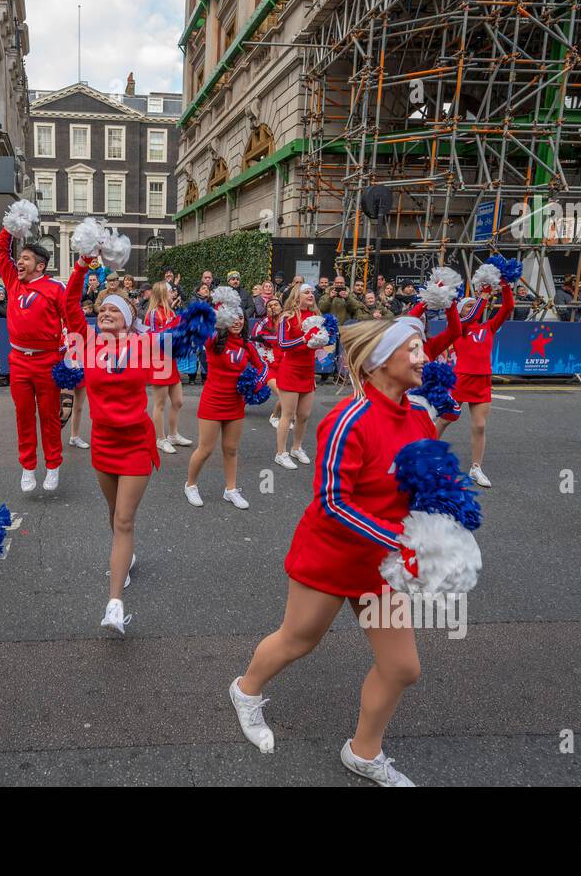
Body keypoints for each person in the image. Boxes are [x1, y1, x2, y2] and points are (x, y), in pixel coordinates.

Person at [228, 317, 434, 785]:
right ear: (381, 361)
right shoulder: (349, 419)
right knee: (298, 640)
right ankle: (246, 690)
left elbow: (425, 481)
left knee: (402, 668)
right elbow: (333, 501)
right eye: (415, 349)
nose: (425, 357)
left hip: (383, 566)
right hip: (332, 554)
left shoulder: (420, 414)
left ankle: (364, 751)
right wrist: (399, 540)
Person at [64, 257, 159, 636]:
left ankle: (114, 603)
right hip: (103, 443)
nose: (104, 312)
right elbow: (70, 305)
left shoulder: (144, 344)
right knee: (113, 512)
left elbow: (182, 336)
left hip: (135, 442)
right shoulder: (87, 343)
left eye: (112, 309)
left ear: (127, 318)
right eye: (101, 308)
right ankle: (126, 552)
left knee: (124, 519)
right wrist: (81, 267)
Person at [0, 216, 68, 492]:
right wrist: (10, 227)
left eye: (25, 258)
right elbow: (1, 251)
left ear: (40, 265)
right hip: (19, 361)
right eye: (19, 258)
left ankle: (53, 465)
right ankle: (28, 467)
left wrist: (68, 352)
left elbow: (70, 320)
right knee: (23, 415)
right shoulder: (13, 281)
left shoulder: (54, 288)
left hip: (48, 361)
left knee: (49, 416)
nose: (19, 262)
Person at [185, 289, 268, 510]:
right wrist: (220, 305)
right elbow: (200, 323)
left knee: (231, 448)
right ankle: (190, 485)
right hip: (213, 401)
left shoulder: (247, 346)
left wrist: (256, 386)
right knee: (205, 449)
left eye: (241, 317)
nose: (237, 321)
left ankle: (230, 489)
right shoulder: (213, 341)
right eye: (233, 317)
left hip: (235, 403)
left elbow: (264, 369)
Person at [436, 278, 514, 488]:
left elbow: (508, 307)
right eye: (468, 305)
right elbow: (471, 314)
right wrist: (483, 296)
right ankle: (424, 454)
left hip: (482, 380)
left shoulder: (489, 327)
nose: (474, 308)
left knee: (480, 426)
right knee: (444, 419)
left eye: (474, 304)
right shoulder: (458, 328)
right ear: (461, 311)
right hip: (461, 379)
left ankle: (476, 467)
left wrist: (505, 285)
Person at [272, 283, 322, 470]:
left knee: (304, 415)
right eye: (306, 292)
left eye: (312, 292)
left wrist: (324, 339)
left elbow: (317, 344)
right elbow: (283, 344)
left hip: (307, 371)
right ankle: (281, 453)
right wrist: (305, 337)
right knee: (288, 414)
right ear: (297, 297)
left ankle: (296, 448)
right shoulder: (287, 317)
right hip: (291, 370)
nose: (311, 295)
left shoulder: (317, 317)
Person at [145, 282, 191, 455]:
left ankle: (173, 435)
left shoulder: (171, 312)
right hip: (159, 360)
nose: (174, 293)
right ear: (163, 292)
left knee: (178, 401)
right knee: (160, 404)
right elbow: (154, 338)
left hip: (170, 360)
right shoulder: (153, 313)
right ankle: (160, 438)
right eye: (171, 290)